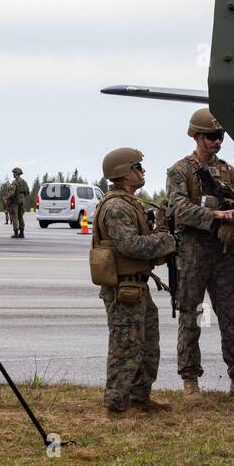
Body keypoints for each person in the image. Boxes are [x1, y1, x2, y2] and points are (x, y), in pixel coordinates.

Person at [166, 108, 234, 400]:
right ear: (197, 136)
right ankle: (190, 382)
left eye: (220, 136)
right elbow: (179, 209)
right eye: (211, 136)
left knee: (232, 315)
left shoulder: (228, 171)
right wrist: (216, 216)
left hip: (226, 253)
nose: (217, 142)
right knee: (191, 315)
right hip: (193, 252)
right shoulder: (180, 171)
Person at [95, 147, 176, 414]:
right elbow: (130, 246)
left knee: (147, 345)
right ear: (124, 172)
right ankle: (117, 405)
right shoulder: (117, 207)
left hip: (137, 285)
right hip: (123, 288)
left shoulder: (129, 203)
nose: (142, 172)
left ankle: (140, 398)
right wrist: (165, 240)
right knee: (126, 347)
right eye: (138, 167)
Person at [5, 167, 30, 238]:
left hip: (15, 201)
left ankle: (16, 233)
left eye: (14, 173)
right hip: (22, 201)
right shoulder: (24, 181)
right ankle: (22, 233)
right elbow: (27, 192)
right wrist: (22, 197)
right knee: (20, 216)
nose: (13, 174)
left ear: (16, 173)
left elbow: (12, 193)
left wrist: (7, 198)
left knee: (14, 216)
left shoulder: (14, 182)